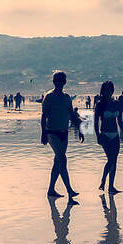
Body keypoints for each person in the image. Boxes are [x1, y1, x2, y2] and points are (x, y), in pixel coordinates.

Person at [41, 71, 82, 199]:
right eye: (57, 80)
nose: (59, 83)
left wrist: (80, 130)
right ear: (53, 81)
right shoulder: (49, 96)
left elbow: (72, 114)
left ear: (64, 82)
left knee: (58, 161)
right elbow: (44, 116)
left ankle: (51, 189)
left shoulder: (66, 97)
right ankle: (69, 190)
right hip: (52, 132)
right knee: (62, 158)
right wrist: (43, 133)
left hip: (64, 132)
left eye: (61, 81)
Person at [94, 80, 123, 193]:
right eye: (105, 89)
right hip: (104, 135)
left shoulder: (116, 103)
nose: (108, 91)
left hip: (115, 136)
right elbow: (95, 122)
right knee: (111, 159)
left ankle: (111, 187)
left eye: (110, 89)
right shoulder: (100, 105)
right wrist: (98, 136)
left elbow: (120, 121)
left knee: (114, 161)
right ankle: (103, 180)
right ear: (102, 91)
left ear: (112, 90)